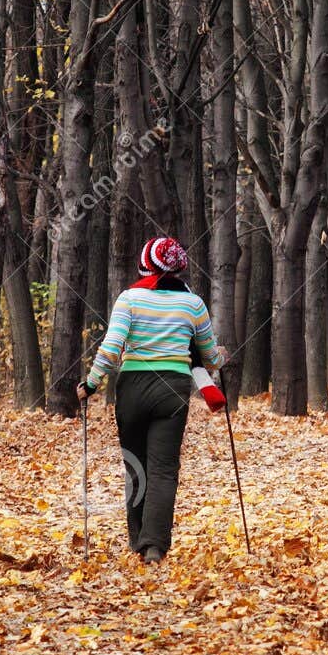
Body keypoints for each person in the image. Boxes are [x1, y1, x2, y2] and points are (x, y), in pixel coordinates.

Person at [78, 237, 226, 565]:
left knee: (135, 465)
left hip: (132, 387)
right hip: (172, 389)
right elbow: (211, 357)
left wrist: (90, 384)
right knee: (163, 468)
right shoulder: (193, 304)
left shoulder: (129, 299)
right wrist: (221, 358)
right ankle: (154, 546)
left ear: (146, 265)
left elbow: (112, 347)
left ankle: (137, 539)